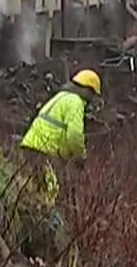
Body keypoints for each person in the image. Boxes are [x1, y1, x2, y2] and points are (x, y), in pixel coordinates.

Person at [19, 69, 101, 205]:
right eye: (93, 94)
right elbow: (74, 135)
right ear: (88, 90)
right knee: (49, 196)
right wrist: (80, 156)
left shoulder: (61, 96)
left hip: (30, 148)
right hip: (45, 152)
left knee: (31, 192)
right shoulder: (75, 102)